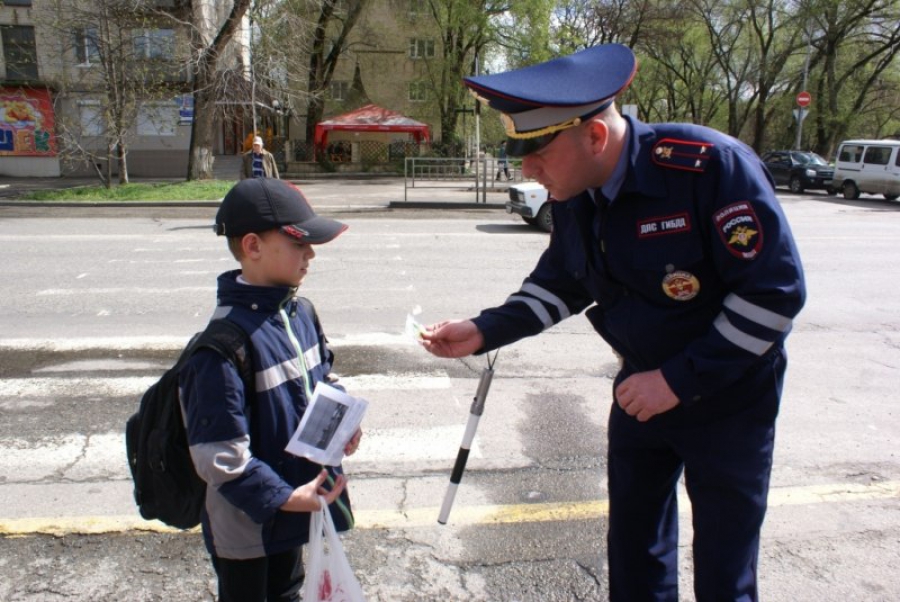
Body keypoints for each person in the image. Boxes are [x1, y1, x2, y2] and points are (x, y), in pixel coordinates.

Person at [421, 44, 805, 602]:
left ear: (595, 137)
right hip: (640, 391)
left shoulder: (707, 167)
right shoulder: (578, 190)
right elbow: (563, 281)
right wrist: (484, 330)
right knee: (634, 551)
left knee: (724, 565)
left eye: (537, 154)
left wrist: (677, 381)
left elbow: (774, 295)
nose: (526, 169)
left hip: (727, 398)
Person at [179, 177, 362, 602]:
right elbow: (218, 457)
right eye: (299, 243)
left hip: (296, 502)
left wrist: (342, 421)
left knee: (289, 590)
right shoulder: (221, 347)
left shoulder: (300, 312)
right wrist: (282, 497)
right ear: (253, 247)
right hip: (248, 523)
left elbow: (320, 378)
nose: (311, 254)